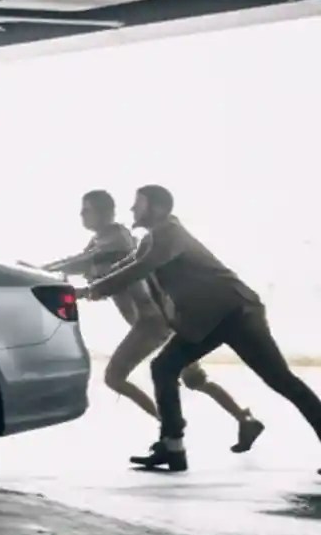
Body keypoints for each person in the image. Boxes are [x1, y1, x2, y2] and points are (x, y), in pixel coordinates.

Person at [80, 184, 321, 474]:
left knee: (282, 381)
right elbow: (129, 264)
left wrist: (93, 290)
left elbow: (140, 268)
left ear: (156, 208)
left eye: (138, 204)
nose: (132, 209)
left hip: (236, 313)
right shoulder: (151, 240)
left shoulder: (169, 233)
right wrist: (86, 290)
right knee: (164, 367)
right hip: (208, 320)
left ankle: (174, 445)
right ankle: (172, 447)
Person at [35, 190, 262, 460]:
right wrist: (41, 270)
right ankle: (244, 420)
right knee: (193, 379)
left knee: (114, 378)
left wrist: (40, 271)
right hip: (159, 321)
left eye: (87, 210)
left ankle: (169, 430)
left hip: (151, 322)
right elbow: (75, 261)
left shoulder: (117, 239)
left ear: (104, 212)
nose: (82, 216)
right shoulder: (100, 241)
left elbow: (83, 263)